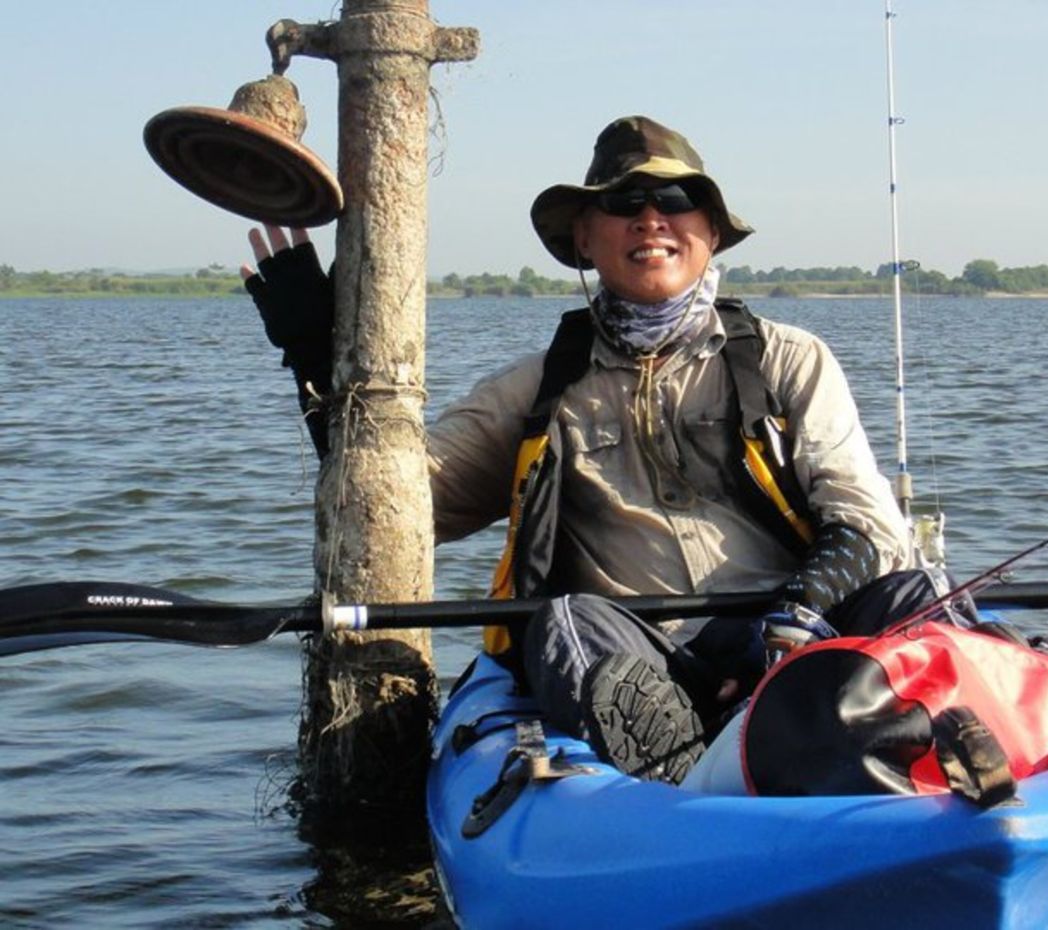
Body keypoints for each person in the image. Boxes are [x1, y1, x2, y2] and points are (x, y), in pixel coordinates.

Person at [243, 115, 927, 786]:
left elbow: (868, 526)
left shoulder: (791, 361)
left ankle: (939, 746)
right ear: (584, 238)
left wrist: (789, 622)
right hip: (638, 657)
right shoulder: (535, 390)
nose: (651, 219)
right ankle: (686, 781)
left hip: (794, 637)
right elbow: (401, 509)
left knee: (910, 594)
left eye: (678, 201)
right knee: (564, 624)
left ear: (711, 232)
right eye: (624, 203)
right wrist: (315, 357)